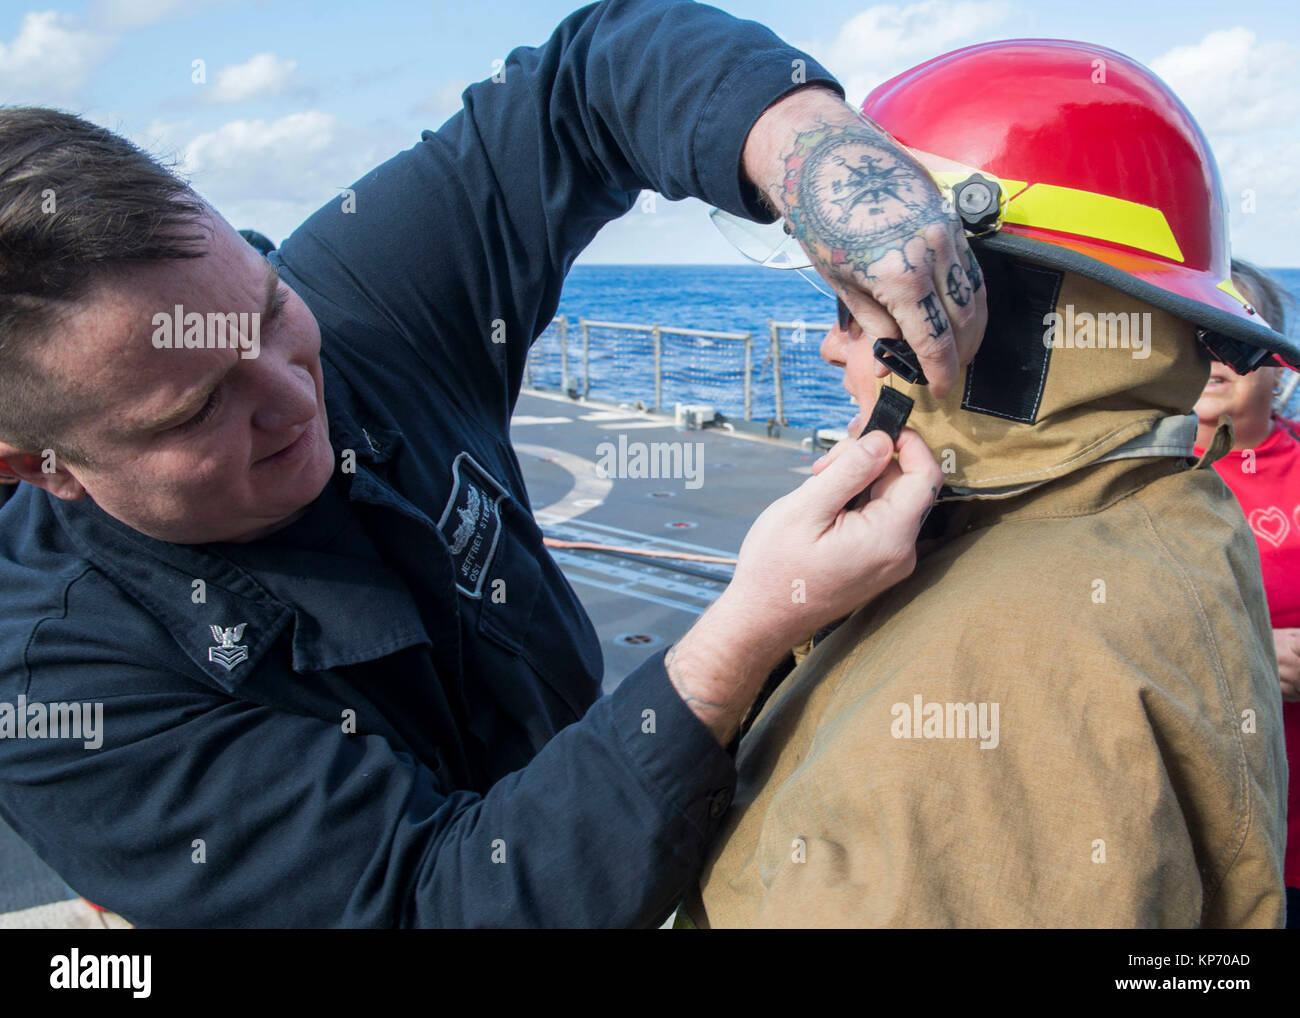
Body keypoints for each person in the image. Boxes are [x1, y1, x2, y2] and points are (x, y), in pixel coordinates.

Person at [0, 0, 982, 927]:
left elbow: (585, 86)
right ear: (41, 466)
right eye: (201, 406)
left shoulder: (356, 297)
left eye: (266, 310)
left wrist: (816, 151)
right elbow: (436, 901)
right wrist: (749, 628)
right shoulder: (59, 691)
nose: (299, 397)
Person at [687, 39, 1298, 928]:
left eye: (852, 307)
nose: (829, 345)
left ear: (985, 314)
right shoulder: (1162, 508)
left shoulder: (1000, 676)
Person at [1190, 260, 1300, 928]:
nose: (1214, 352)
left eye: (1236, 331)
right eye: (1197, 329)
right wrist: (1254, 652)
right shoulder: (1125, 481)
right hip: (1188, 828)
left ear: (1279, 364)